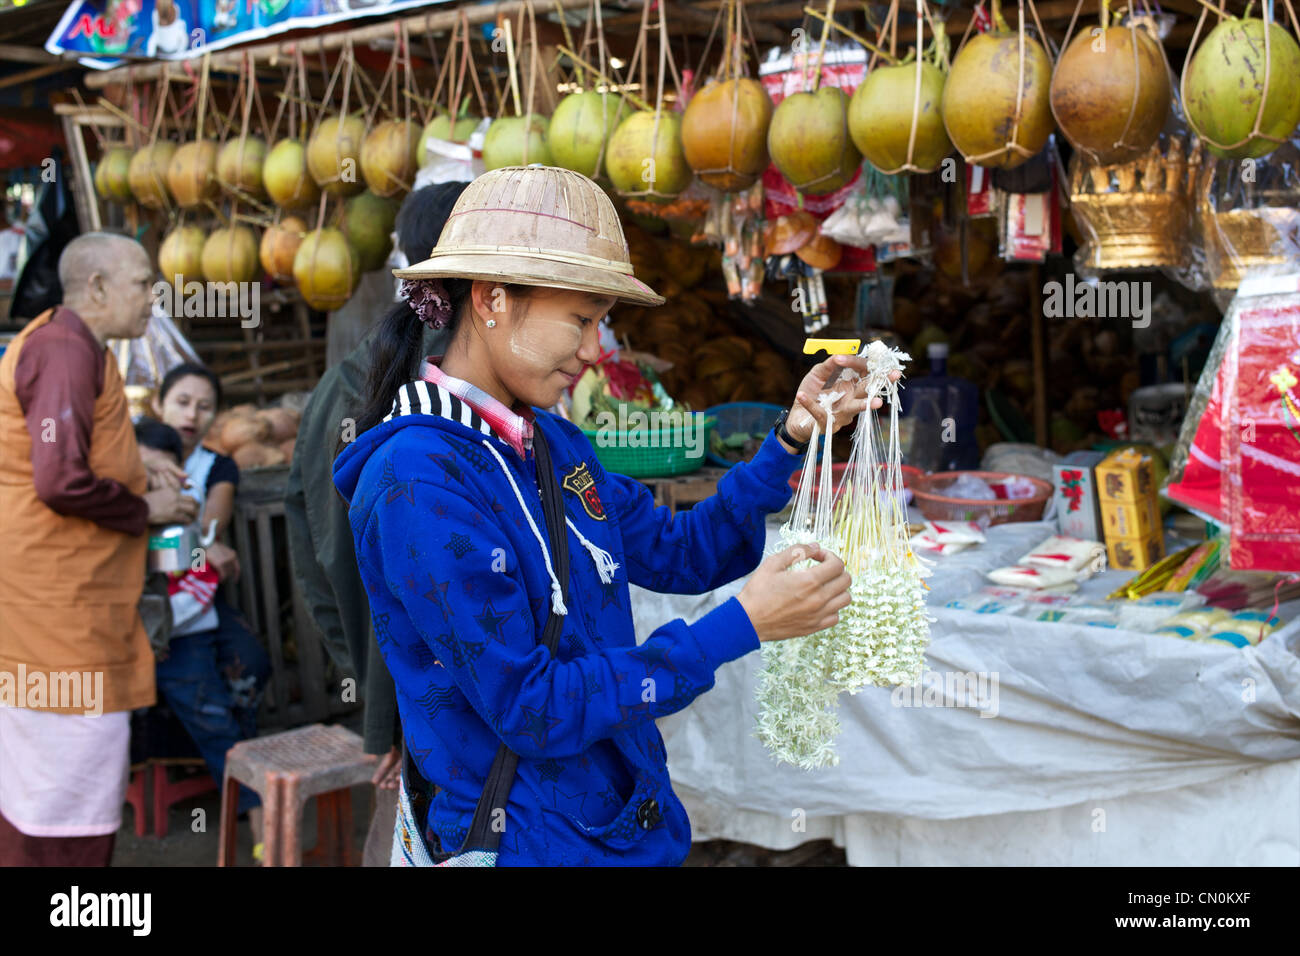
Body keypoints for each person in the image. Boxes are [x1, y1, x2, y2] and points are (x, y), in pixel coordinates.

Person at [332, 166, 890, 866]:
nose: (596, 350)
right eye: (582, 319)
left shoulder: (550, 443)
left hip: (620, 824)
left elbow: (684, 552)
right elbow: (531, 707)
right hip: (528, 845)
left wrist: (790, 439)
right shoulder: (415, 482)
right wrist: (739, 626)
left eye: (601, 322)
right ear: (493, 300)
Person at [285, 180, 468, 866]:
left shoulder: (354, 380)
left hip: (415, 708)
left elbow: (314, 550)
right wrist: (386, 697)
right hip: (440, 717)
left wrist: (369, 684)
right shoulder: (432, 395)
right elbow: (342, 557)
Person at [0, 232, 197, 866]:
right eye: (143, 283)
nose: (153, 297)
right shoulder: (64, 349)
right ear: (98, 288)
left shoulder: (67, 343)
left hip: (54, 608)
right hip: (61, 620)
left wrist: (136, 460)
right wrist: (145, 508)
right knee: (65, 799)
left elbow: (57, 443)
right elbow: (59, 479)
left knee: (43, 787)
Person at [148, 366, 270, 857]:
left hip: (199, 599)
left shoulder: (216, 465)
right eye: (181, 401)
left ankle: (241, 770)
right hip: (165, 613)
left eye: (203, 405)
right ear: (159, 405)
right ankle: (261, 821)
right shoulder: (140, 450)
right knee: (216, 714)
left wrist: (200, 538)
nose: (191, 414)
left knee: (252, 670)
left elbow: (213, 525)